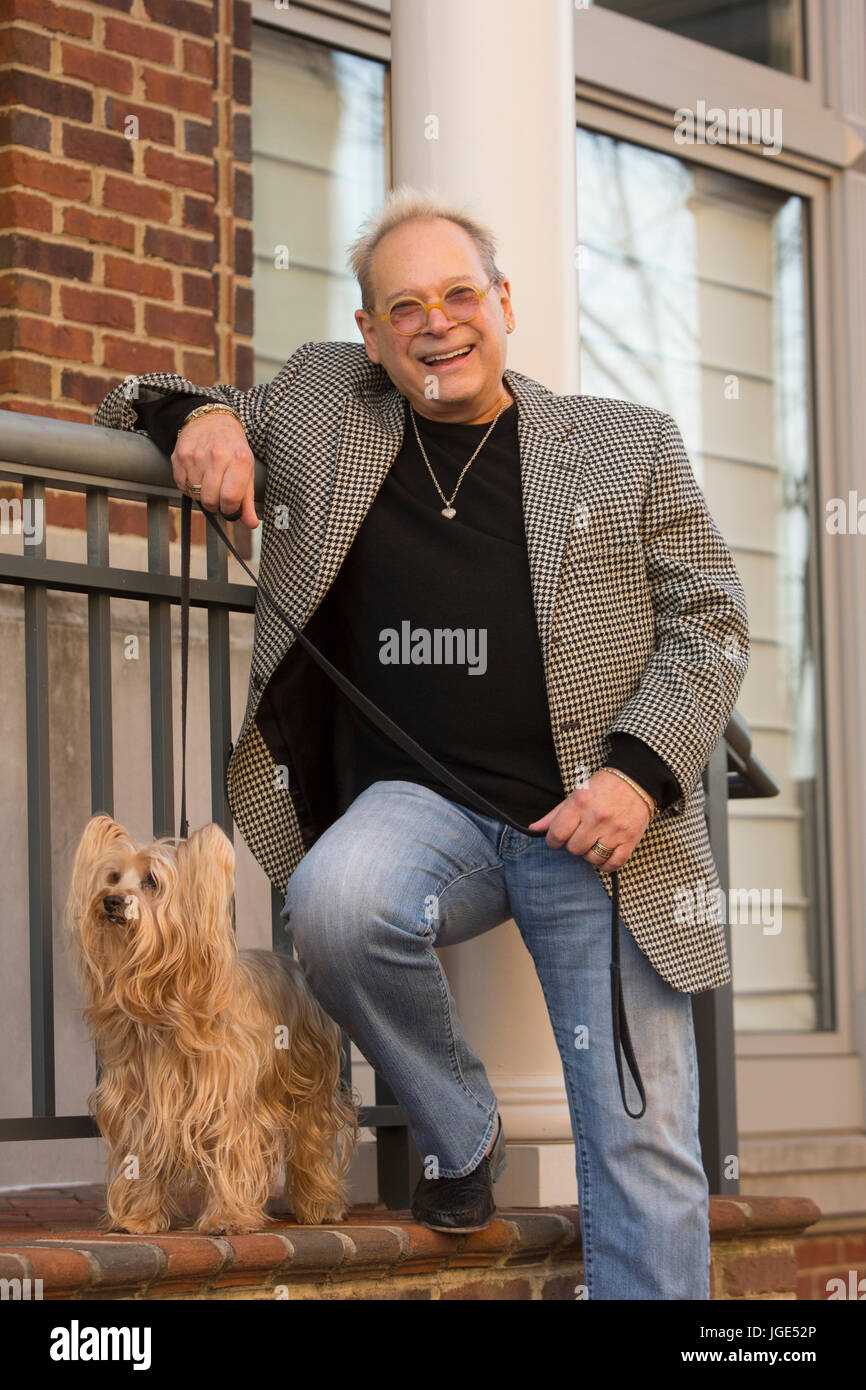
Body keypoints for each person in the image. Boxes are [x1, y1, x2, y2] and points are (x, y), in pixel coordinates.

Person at [94, 186, 750, 1299]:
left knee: (639, 1136)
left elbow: (711, 616)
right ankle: (462, 1127)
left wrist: (637, 776)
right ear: (369, 334)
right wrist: (198, 421)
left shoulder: (622, 445)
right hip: (420, 809)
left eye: (457, 295)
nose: (433, 322)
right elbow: (133, 394)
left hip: (592, 820)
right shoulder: (320, 400)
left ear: (502, 303)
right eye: (403, 307)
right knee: (334, 905)